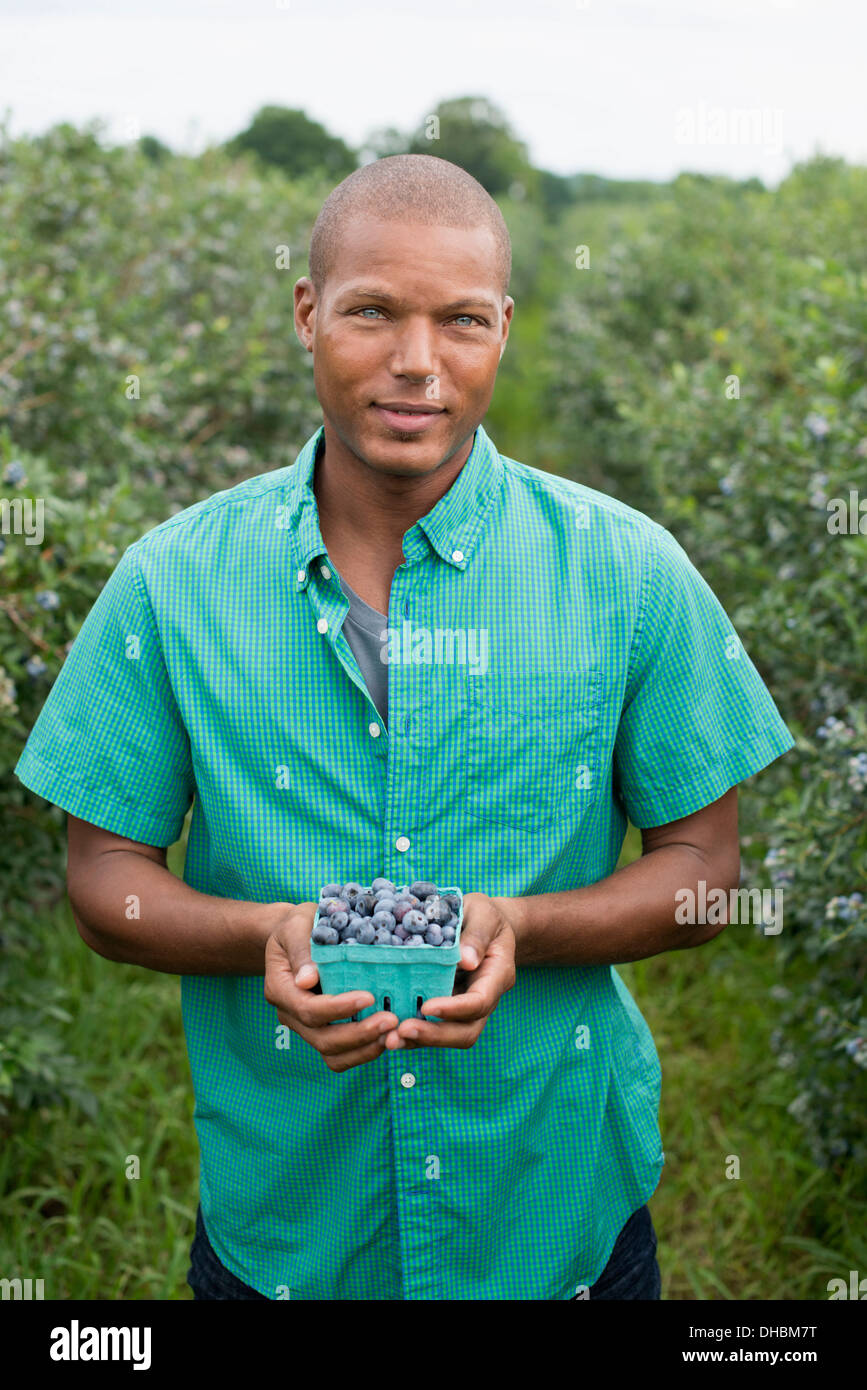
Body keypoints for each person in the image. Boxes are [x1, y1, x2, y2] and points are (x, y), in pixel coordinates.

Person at [14, 154, 795, 1301]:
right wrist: (267, 934)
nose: (417, 362)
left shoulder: (627, 574)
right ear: (307, 313)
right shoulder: (171, 585)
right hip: (289, 1233)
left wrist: (520, 925)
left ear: (506, 329)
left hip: (551, 1221)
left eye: (462, 321)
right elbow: (104, 879)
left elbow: (705, 874)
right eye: (373, 310)